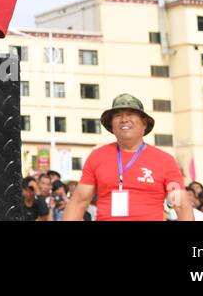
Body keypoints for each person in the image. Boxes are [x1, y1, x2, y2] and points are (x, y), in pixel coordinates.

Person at [63, 94, 191, 221]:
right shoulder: (97, 156)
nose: (124, 119)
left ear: (144, 123)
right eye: (118, 115)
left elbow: (180, 205)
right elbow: (78, 202)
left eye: (130, 114)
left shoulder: (165, 161)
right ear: (111, 125)